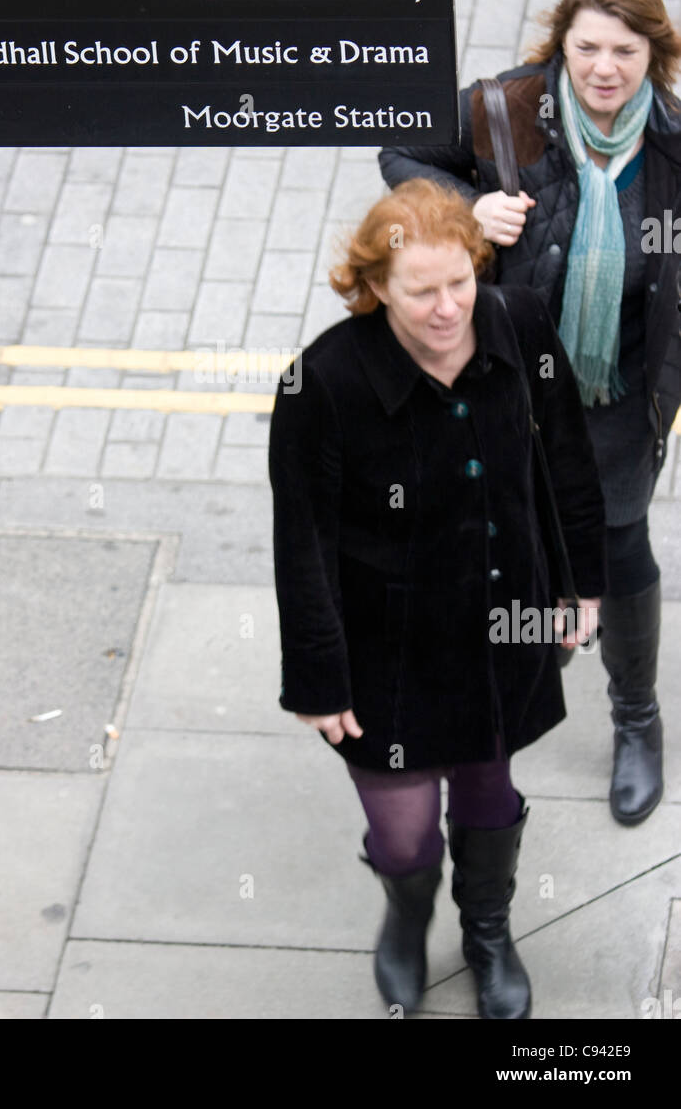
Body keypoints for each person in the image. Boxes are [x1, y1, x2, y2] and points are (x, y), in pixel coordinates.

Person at [268, 177, 605, 1019]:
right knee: (406, 834)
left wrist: (581, 587)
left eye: (460, 281)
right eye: (422, 291)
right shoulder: (322, 384)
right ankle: (405, 916)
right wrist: (319, 676)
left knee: (491, 799)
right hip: (386, 652)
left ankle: (487, 930)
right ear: (376, 287)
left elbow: (563, 454)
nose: (450, 307)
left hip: (501, 625)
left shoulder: (519, 320)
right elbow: (301, 542)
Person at [378, 0, 681, 828]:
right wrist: (467, 208)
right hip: (514, 391)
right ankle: (524, 672)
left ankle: (637, 718)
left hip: (621, 399)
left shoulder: (669, 141)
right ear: (563, 43)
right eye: (587, 47)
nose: (603, 70)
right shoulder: (503, 109)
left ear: (651, 54)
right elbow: (399, 150)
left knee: (620, 550)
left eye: (625, 50)